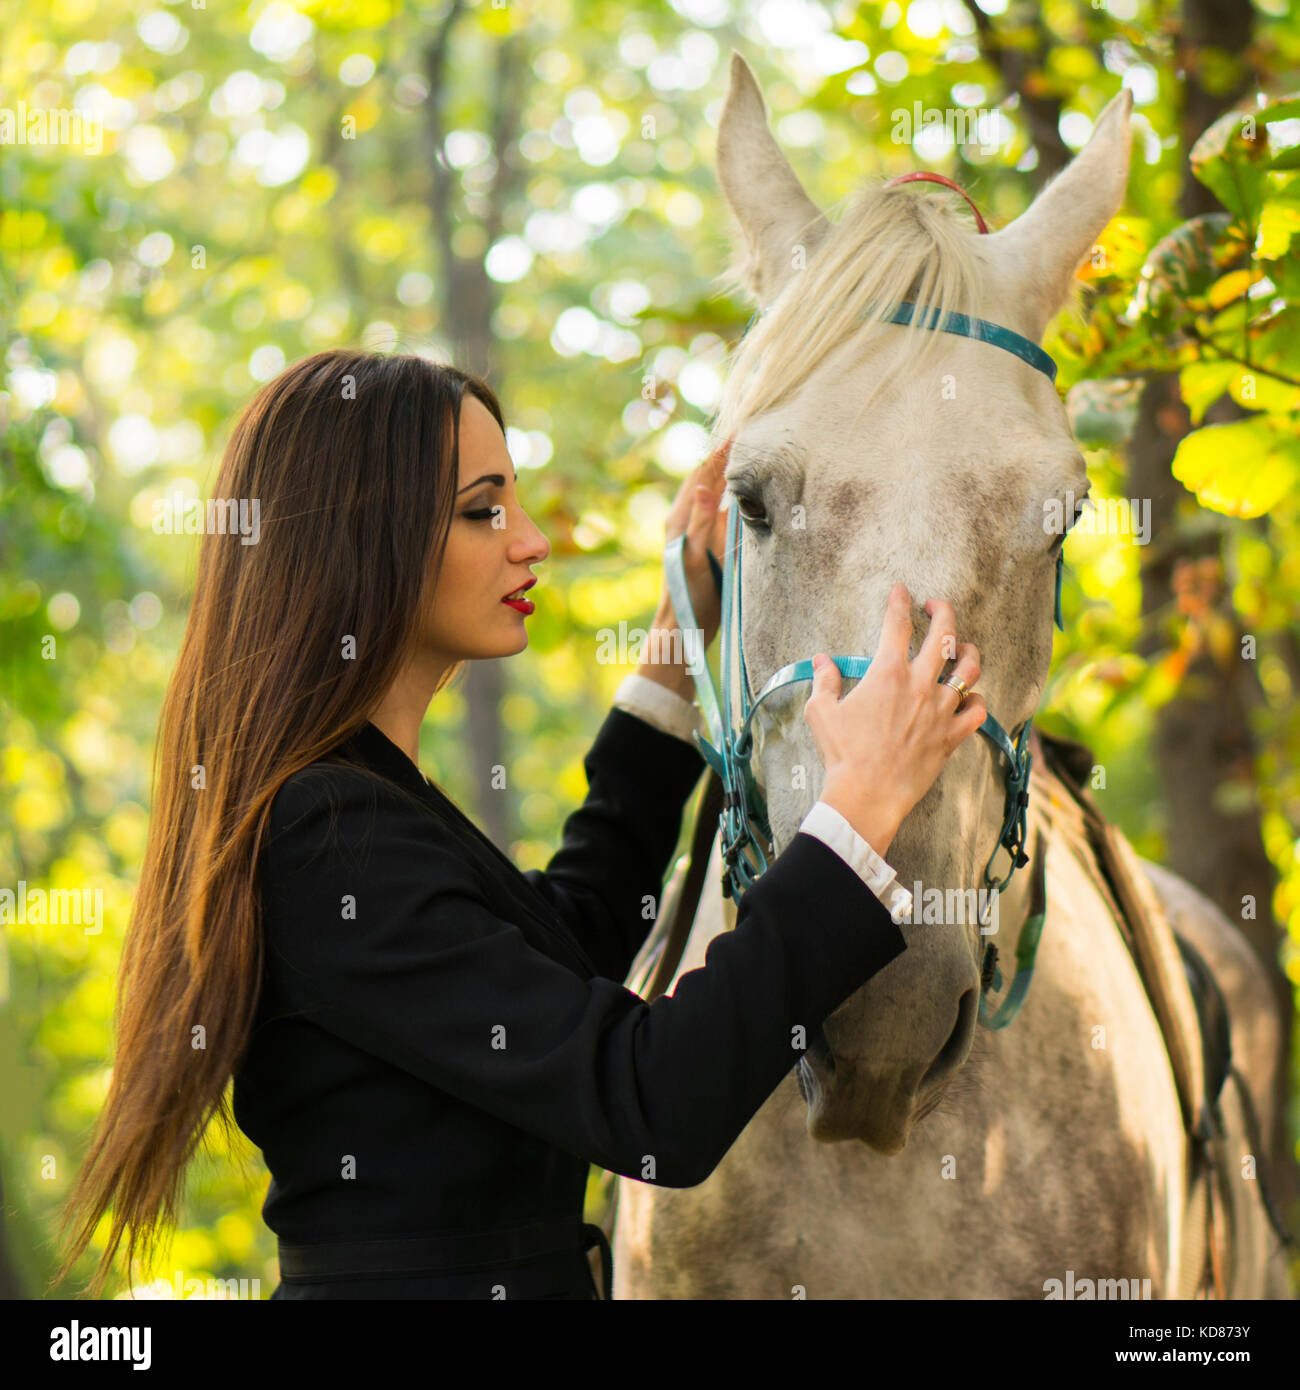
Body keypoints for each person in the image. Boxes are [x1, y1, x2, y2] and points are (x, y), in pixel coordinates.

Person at [50, 349, 985, 1301]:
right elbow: (652, 1103)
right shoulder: (321, 832)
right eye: (482, 510)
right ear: (359, 537)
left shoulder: (366, 801)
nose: (531, 541)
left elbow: (569, 945)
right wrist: (857, 809)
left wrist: (671, 651)